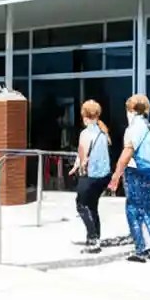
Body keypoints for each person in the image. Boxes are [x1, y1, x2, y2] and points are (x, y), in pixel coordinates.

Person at [107, 94, 150, 263]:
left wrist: (116, 176)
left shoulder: (133, 128)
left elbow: (127, 153)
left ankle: (140, 249)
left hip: (138, 172)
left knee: (133, 210)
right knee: (147, 209)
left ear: (131, 110)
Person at [66, 99, 112, 254]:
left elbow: (82, 156)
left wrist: (75, 168)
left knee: (82, 205)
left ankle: (93, 239)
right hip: (103, 176)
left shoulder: (85, 133)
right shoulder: (103, 132)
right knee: (92, 206)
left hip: (90, 176)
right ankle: (95, 236)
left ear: (84, 114)